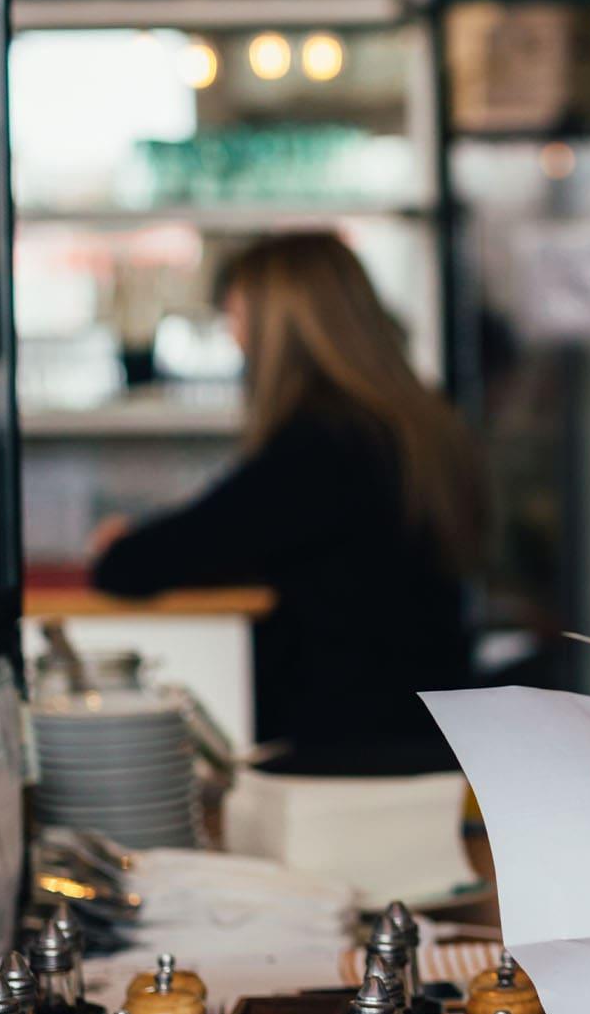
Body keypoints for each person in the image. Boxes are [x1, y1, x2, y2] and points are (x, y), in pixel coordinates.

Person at [88, 231, 484, 766]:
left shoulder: (324, 443)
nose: (235, 339)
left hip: (354, 753)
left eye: (237, 317)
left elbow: (136, 566)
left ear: (281, 328)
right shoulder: (411, 424)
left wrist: (123, 543)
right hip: (427, 734)